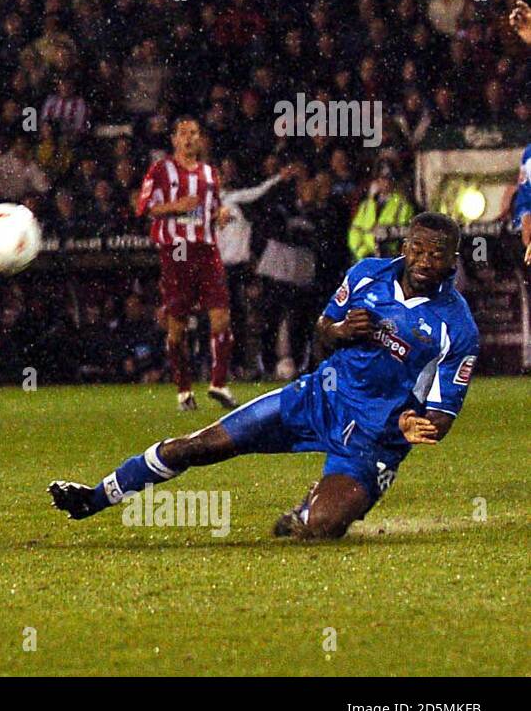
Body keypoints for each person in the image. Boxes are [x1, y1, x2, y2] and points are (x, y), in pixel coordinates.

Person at [50, 213, 478, 540]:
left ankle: (308, 508)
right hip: (315, 399)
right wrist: (342, 331)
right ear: (405, 245)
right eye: (417, 249)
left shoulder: (456, 327)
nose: (424, 261)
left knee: (320, 529)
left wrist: (413, 424)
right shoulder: (366, 273)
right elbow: (322, 332)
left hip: (373, 438)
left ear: (452, 261)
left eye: (436, 254)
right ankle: (95, 497)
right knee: (196, 447)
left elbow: (440, 419)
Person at [135, 116, 237, 411]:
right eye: (183, 134)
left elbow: (213, 209)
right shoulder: (161, 169)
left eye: (194, 133)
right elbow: (143, 208)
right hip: (176, 252)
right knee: (177, 327)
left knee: (221, 317)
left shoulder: (209, 173)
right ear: (174, 140)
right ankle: (184, 390)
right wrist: (175, 207)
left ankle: (218, 383)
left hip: (207, 250)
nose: (190, 138)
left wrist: (221, 215)